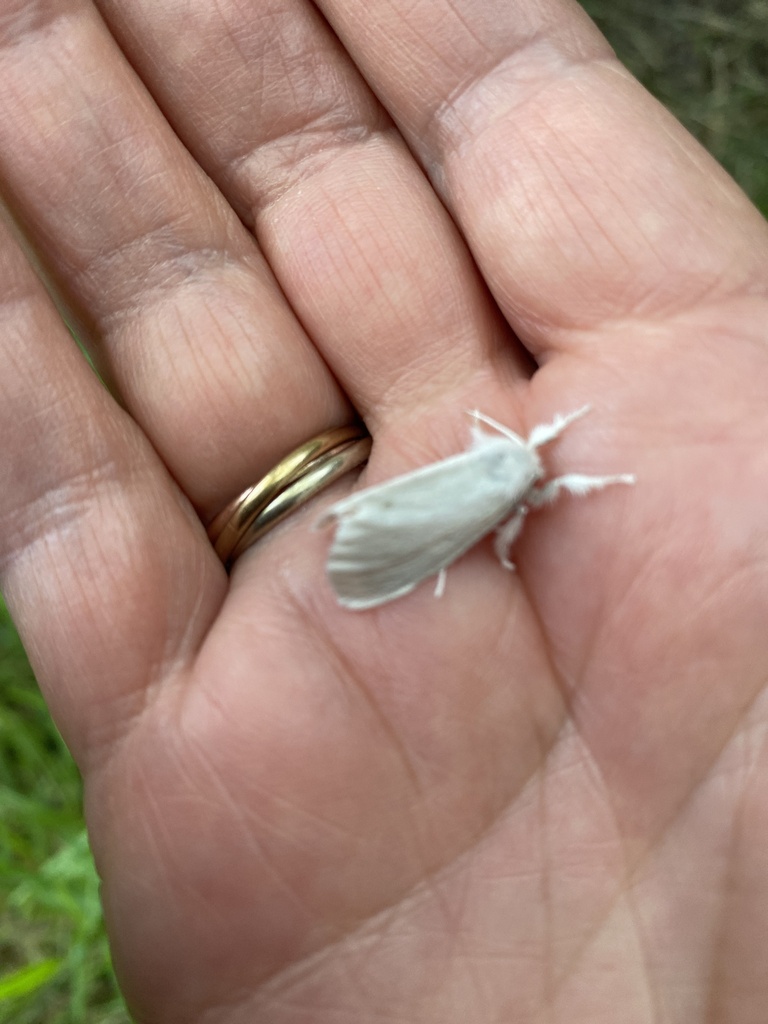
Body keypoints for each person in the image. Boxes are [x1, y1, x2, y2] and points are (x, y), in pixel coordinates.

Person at [1, 1, 766, 1020]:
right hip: (442, 514)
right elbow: (523, 478)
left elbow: (520, 472)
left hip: (438, 512)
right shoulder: (521, 492)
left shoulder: (517, 484)